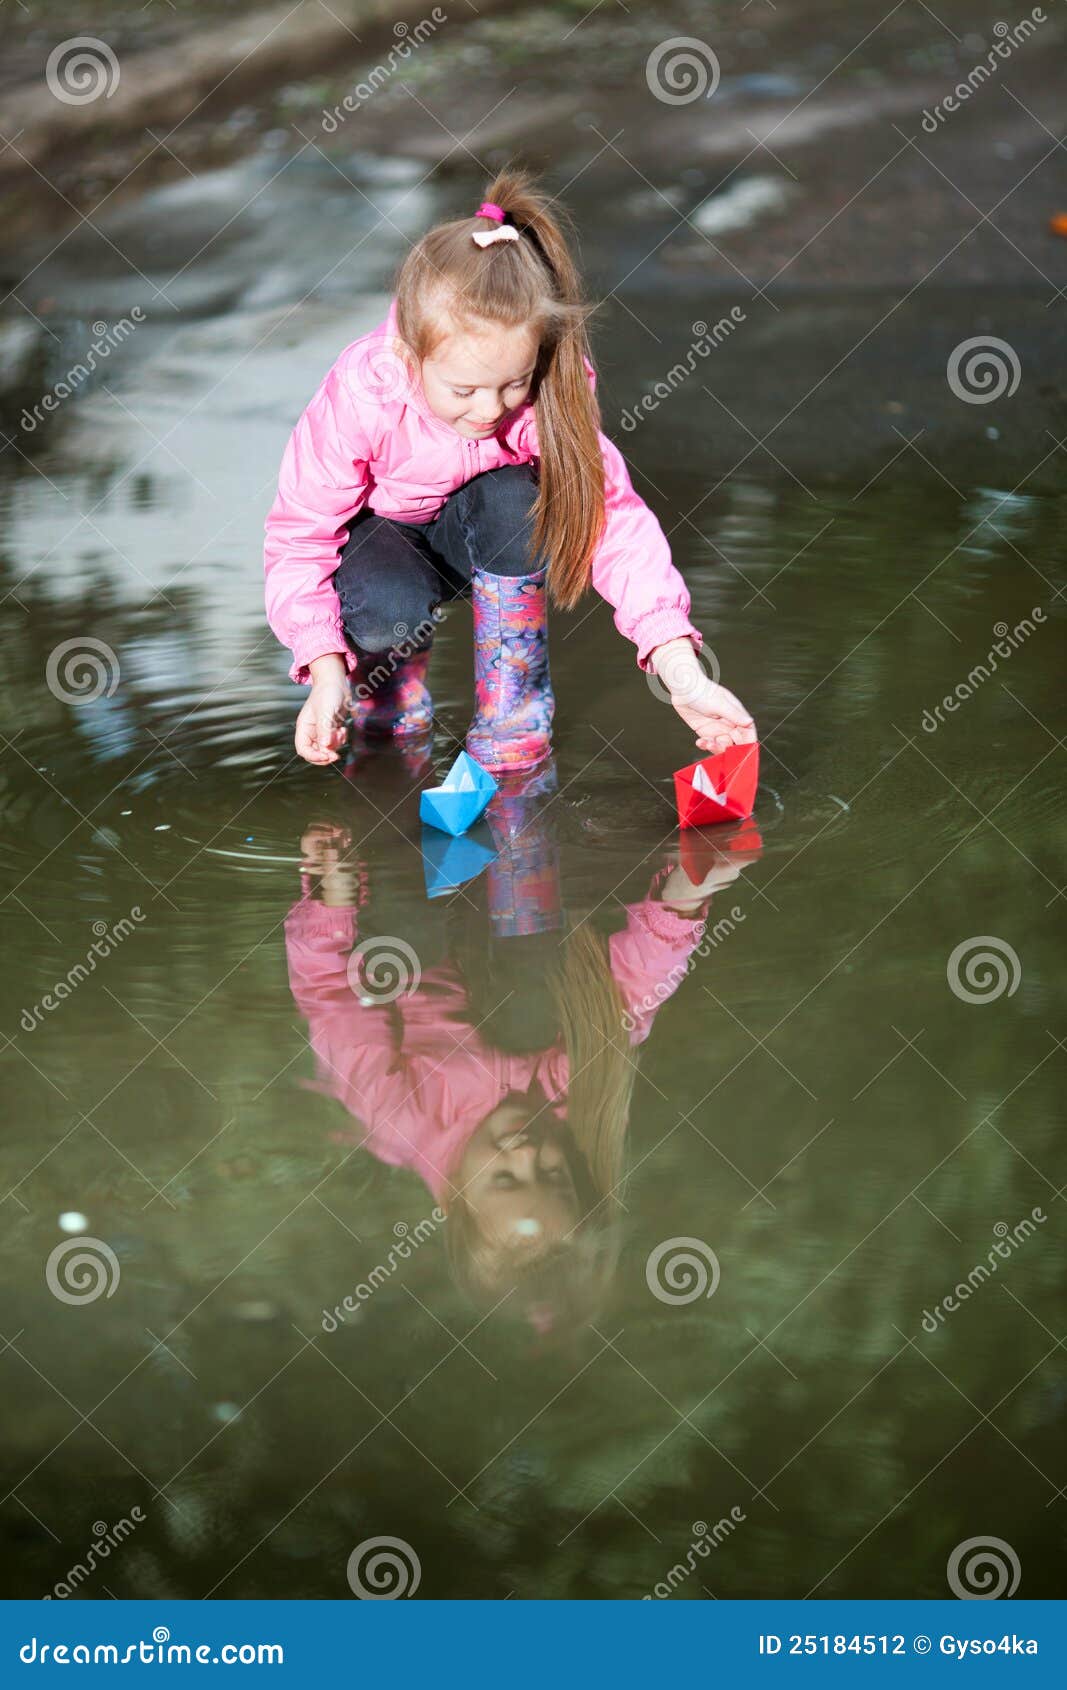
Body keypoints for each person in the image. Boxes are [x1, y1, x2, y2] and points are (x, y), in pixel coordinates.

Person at [264, 165, 757, 772]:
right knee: (390, 611)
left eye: (511, 384)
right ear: (411, 354)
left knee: (515, 498)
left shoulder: (546, 395)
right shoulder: (364, 395)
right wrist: (325, 669)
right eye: (464, 389)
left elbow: (612, 522)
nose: (491, 409)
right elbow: (300, 538)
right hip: (382, 545)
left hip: (481, 538)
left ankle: (513, 723)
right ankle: (387, 711)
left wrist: (677, 663)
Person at [288, 806, 758, 1335]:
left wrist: (332, 892)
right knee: (543, 996)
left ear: (458, 1198)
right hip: (517, 909)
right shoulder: (578, 1103)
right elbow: (630, 997)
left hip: (410, 908)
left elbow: (330, 996)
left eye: (506, 1178)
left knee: (415, 939)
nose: (531, 1151)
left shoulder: (396, 1118)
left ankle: (426, 796)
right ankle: (518, 802)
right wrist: (684, 895)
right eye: (554, 1174)